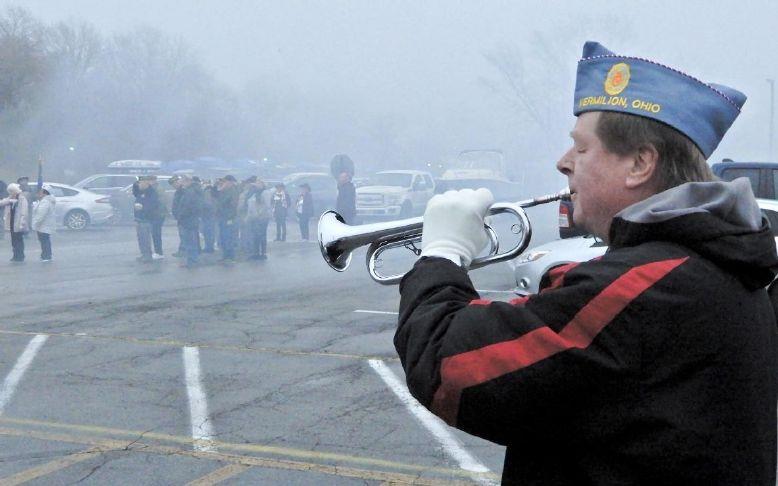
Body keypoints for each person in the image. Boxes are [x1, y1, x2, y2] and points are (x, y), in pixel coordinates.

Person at [394, 41, 777, 485]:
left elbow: (450, 367)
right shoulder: (714, 266)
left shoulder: (648, 283)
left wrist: (441, 254)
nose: (563, 163)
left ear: (639, 163)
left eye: (581, 148)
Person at [173, 175, 202, 268]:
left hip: (188, 220)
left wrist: (180, 216)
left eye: (182, 181)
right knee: (190, 241)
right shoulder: (190, 191)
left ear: (187, 182)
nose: (181, 183)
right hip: (190, 219)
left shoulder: (189, 192)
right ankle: (192, 260)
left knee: (190, 242)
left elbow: (187, 207)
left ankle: (192, 261)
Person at [132, 176, 160, 263]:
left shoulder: (151, 193)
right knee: (140, 239)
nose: (139, 184)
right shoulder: (140, 192)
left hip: (146, 219)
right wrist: (135, 184)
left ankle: (147, 255)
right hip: (139, 218)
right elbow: (134, 191)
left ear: (146, 183)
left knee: (145, 238)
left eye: (141, 183)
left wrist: (142, 208)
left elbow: (152, 205)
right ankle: (143, 254)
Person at [0, 183, 29, 262]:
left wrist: (21, 224)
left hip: (19, 224)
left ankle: (20, 256)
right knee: (14, 241)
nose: (10, 193)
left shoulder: (22, 199)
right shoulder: (10, 198)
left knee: (19, 241)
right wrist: (9, 200)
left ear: (15, 191)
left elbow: (24, 213)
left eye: (11, 191)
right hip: (12, 223)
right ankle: (15, 255)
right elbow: (2, 202)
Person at [215, 175, 239, 262]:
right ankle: (225, 256)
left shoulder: (232, 191)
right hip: (222, 216)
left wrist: (230, 217)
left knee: (228, 237)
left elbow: (233, 205)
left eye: (225, 181)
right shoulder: (224, 190)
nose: (223, 183)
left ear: (230, 182)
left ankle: (230, 256)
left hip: (228, 217)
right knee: (223, 237)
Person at [245, 179, 271, 260]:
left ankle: (263, 253)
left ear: (263, 185)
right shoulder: (254, 193)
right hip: (254, 217)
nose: (256, 185)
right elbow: (250, 204)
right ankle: (256, 252)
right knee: (255, 235)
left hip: (262, 217)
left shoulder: (265, 193)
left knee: (261, 235)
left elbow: (267, 205)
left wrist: (259, 213)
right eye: (256, 183)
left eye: (259, 183)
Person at [31, 187, 56, 262]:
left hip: (43, 225)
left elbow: (41, 214)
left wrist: (36, 223)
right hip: (44, 224)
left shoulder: (45, 202)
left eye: (40, 192)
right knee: (44, 240)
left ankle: (46, 256)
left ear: (45, 193)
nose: (38, 194)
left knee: (44, 240)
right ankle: (45, 255)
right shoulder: (45, 201)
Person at [200, 179, 217, 253]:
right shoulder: (211, 191)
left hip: (208, 215)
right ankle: (209, 246)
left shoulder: (207, 191)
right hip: (210, 214)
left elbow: (207, 204)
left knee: (208, 232)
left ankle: (209, 247)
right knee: (209, 232)